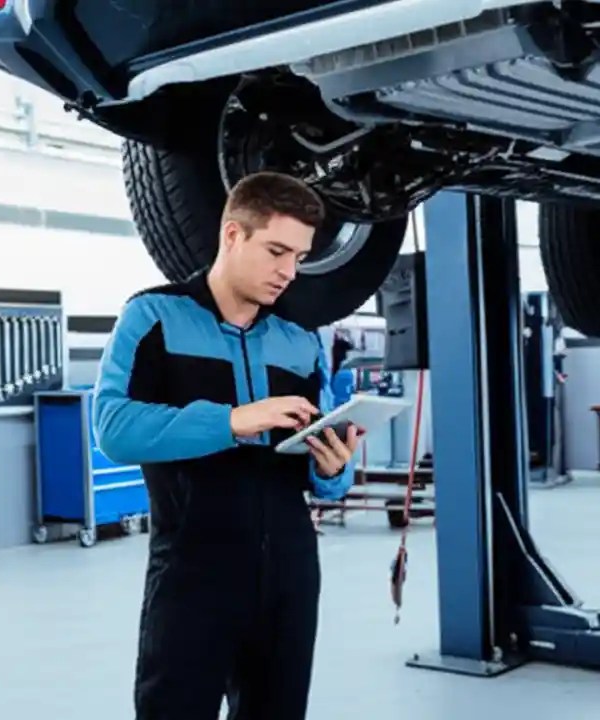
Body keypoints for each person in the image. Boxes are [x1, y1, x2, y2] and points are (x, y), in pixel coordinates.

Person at [92, 171, 362, 720]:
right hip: (193, 572)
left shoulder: (300, 340)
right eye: (276, 252)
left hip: (289, 572)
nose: (289, 272)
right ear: (233, 235)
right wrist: (232, 420)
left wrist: (334, 471)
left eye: (299, 257)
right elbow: (114, 428)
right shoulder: (154, 316)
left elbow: (324, 465)